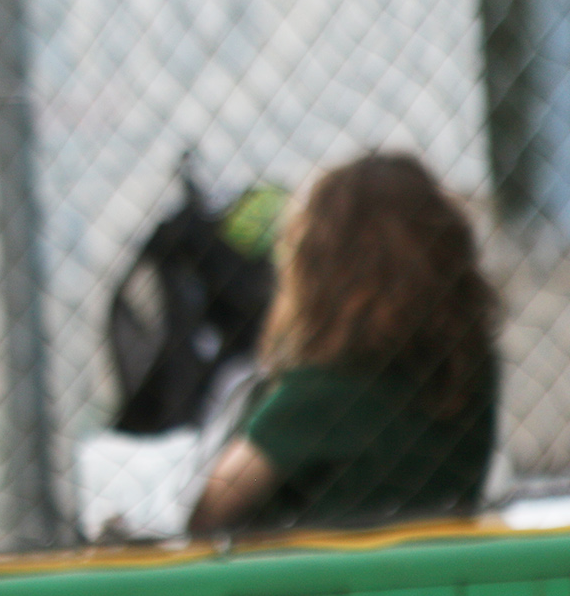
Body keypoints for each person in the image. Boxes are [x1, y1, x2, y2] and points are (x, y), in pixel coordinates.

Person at [187, 152, 497, 535]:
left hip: (318, 582)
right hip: (443, 570)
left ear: (318, 269)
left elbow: (210, 506)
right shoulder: (471, 370)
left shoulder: (320, 395)